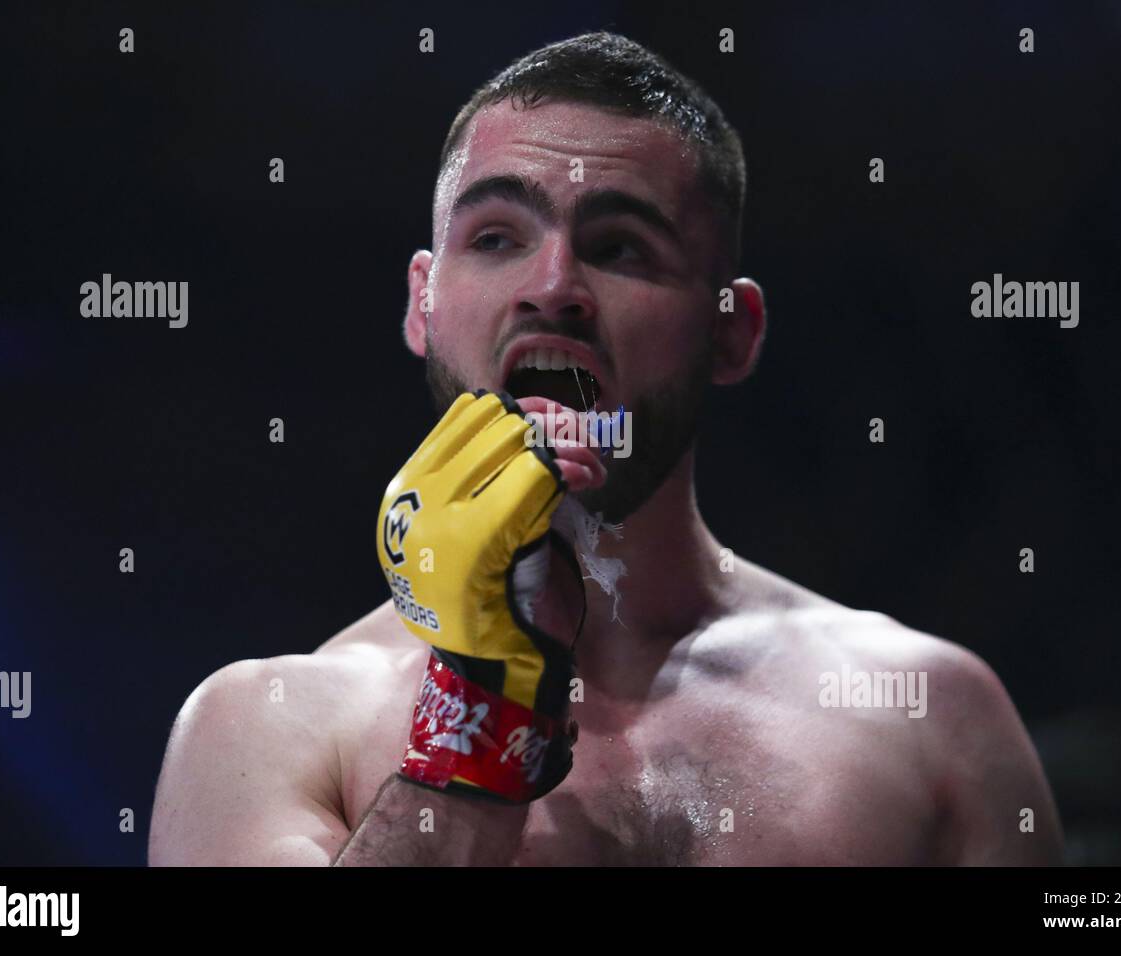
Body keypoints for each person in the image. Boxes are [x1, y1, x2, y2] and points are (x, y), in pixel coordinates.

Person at [148, 32, 1064, 866]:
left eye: (620, 248)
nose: (553, 287)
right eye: (497, 236)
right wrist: (480, 698)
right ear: (422, 304)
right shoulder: (265, 727)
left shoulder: (931, 714)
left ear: (732, 331)